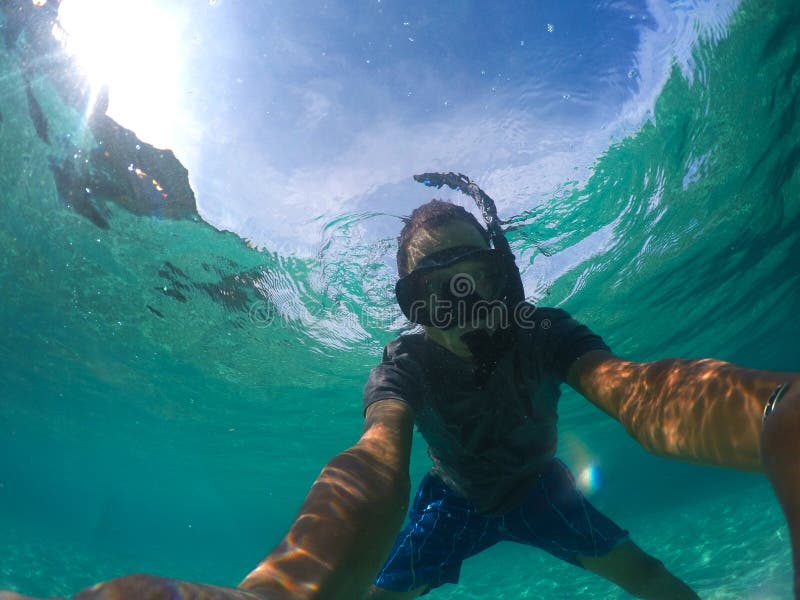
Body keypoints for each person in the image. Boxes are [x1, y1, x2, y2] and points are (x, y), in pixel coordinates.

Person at [2, 188, 799, 600]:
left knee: (646, 576)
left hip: (540, 488)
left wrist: (776, 414)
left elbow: (640, 393)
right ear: (412, 307)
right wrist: (283, 593)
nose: (461, 311)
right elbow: (374, 462)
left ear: (505, 277)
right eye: (435, 294)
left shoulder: (545, 331)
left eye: (473, 281)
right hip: (449, 500)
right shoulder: (405, 365)